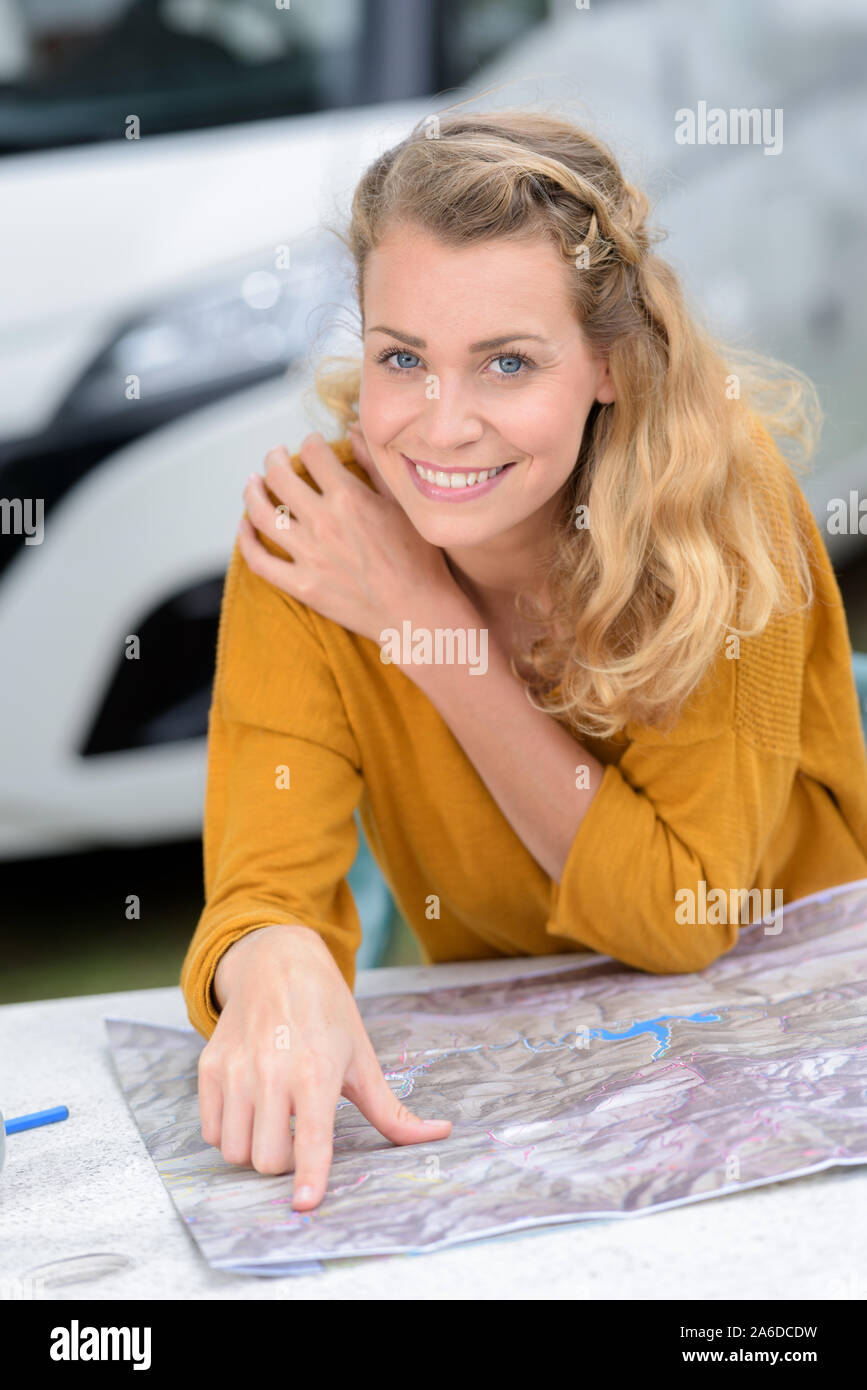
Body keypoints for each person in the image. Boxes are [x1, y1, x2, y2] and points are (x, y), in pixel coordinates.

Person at [180, 108, 867, 1211]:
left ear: (608, 362)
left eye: (506, 361)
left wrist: (422, 623)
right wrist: (270, 958)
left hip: (811, 1024)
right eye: (404, 357)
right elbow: (261, 893)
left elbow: (678, 921)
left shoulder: (722, 513)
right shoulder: (316, 531)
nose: (442, 426)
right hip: (533, 1076)